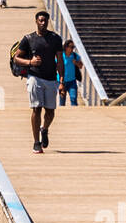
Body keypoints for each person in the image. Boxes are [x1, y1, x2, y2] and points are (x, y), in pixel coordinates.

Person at [17, 10, 64, 154]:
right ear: (36, 21)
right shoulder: (28, 38)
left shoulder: (55, 38)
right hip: (34, 77)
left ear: (48, 22)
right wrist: (30, 62)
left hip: (51, 79)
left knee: (50, 111)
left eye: (45, 21)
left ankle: (45, 129)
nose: (43, 23)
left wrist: (61, 80)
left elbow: (60, 61)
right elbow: (16, 58)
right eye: (40, 20)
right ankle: (36, 142)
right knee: (36, 108)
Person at [58, 39, 83, 105]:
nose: (72, 49)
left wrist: (76, 63)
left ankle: (75, 114)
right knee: (62, 101)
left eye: (73, 47)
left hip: (72, 82)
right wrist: (60, 82)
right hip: (62, 82)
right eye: (71, 47)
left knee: (73, 98)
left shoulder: (75, 56)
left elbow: (81, 66)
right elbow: (56, 67)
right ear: (66, 47)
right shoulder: (61, 56)